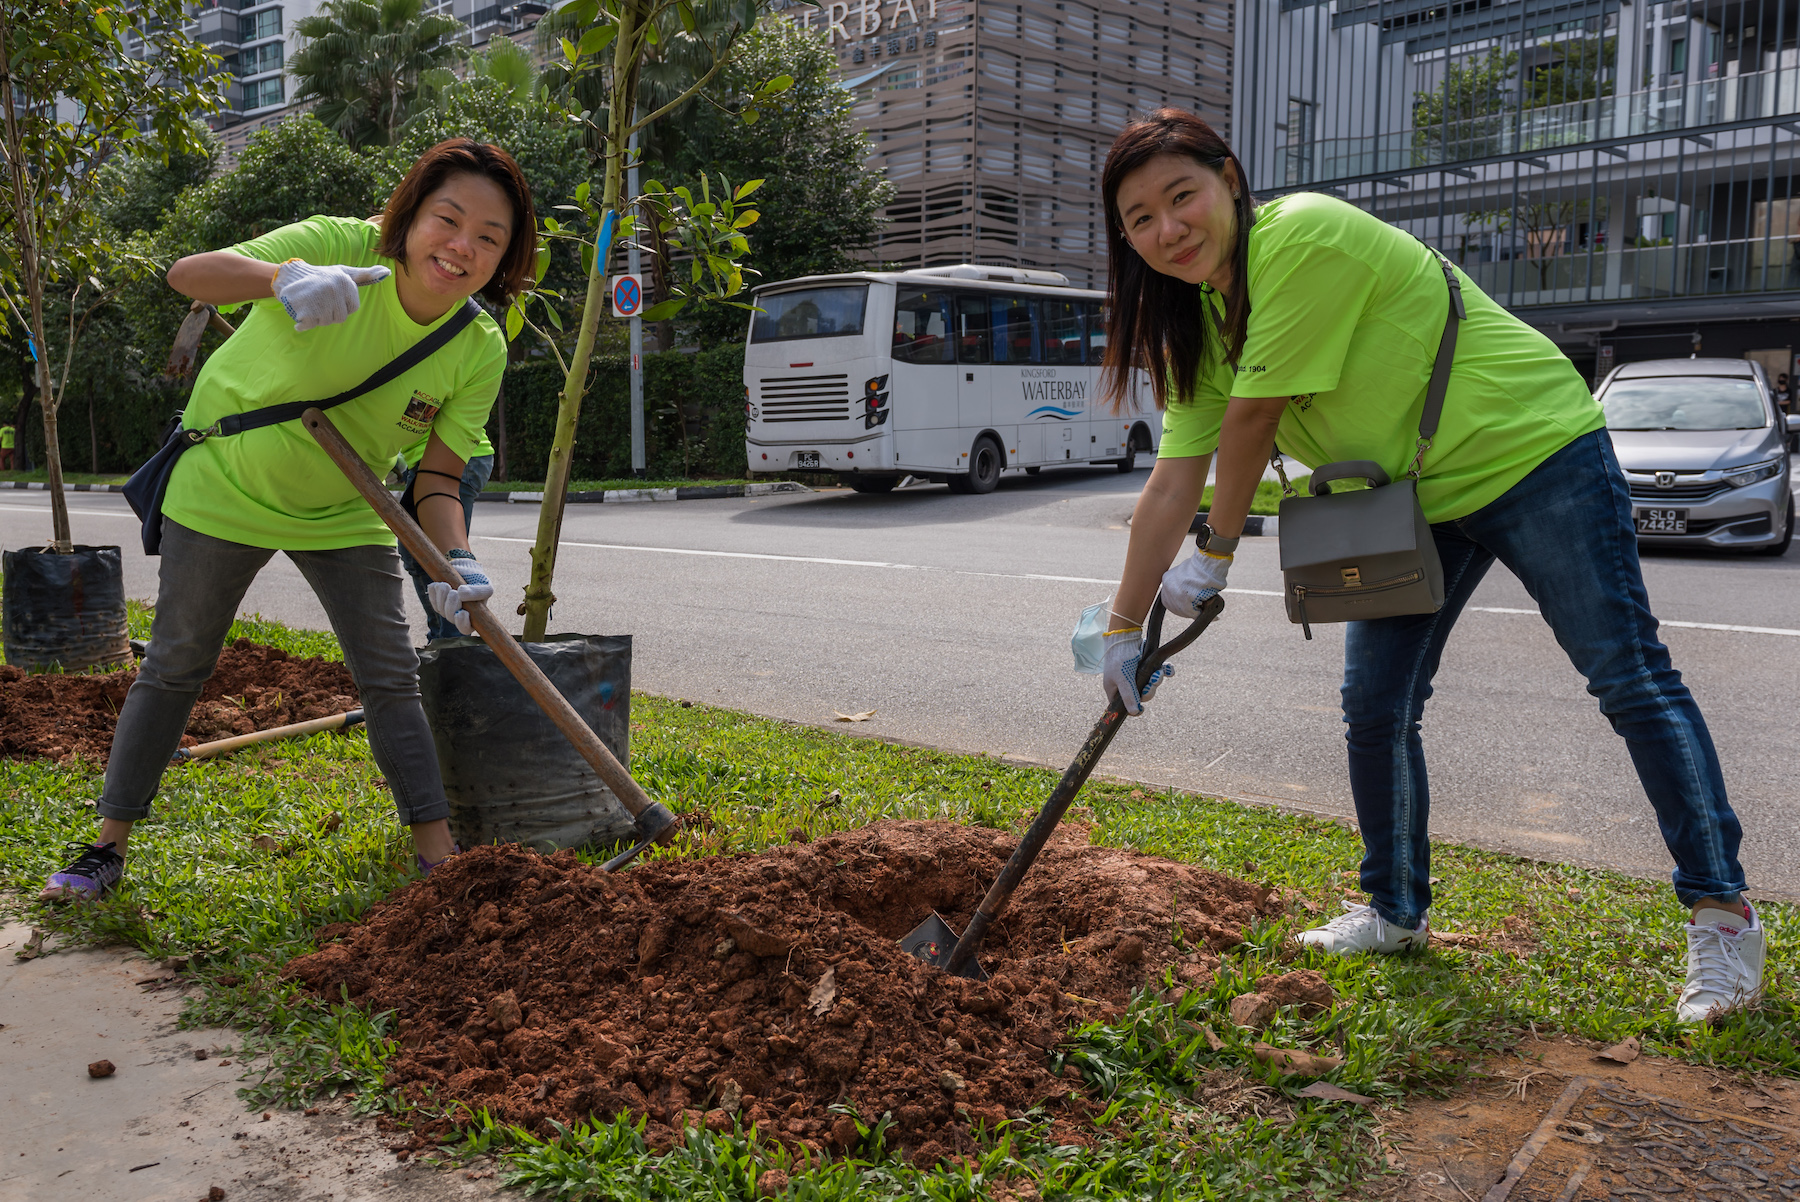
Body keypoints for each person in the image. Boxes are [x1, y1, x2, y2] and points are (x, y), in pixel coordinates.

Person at [1094, 109, 1762, 1025]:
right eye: (1140, 219)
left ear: (1231, 181)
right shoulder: (1197, 323)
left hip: (1534, 455)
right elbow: (1174, 480)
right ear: (1124, 239)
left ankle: (1722, 918)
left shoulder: (1302, 236)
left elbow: (1252, 425)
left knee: (1628, 678)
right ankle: (1396, 910)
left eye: (1183, 197)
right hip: (1413, 500)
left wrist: (1212, 559)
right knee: (1376, 706)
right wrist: (1124, 628)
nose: (1168, 230)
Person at [40, 138, 536, 901]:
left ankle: (438, 856)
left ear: (503, 260)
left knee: (390, 677)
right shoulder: (337, 245)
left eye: (489, 239)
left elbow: (438, 475)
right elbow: (189, 275)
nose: (461, 246)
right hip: (224, 485)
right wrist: (283, 279)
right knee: (176, 664)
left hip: (346, 504)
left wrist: (457, 562)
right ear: (409, 215)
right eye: (448, 219)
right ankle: (106, 846)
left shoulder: (476, 345)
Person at [397, 428, 495, 642]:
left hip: (453, 456)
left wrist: (461, 559)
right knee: (414, 555)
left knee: (442, 561)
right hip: (426, 459)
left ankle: (453, 647)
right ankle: (442, 641)